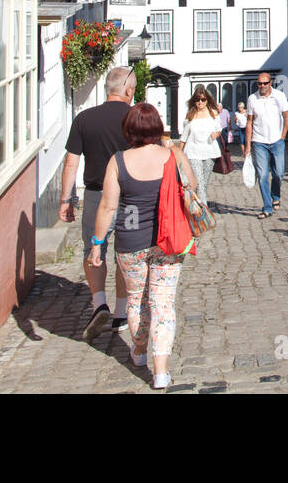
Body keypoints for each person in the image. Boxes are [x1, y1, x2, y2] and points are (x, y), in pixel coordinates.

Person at [89, 102, 197, 390]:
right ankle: (161, 371)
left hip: (130, 242)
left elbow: (108, 206)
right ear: (157, 127)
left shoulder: (118, 161)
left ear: (129, 129)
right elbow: (193, 187)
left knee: (136, 300)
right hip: (168, 242)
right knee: (162, 303)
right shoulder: (173, 156)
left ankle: (138, 351)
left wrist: (97, 243)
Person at [60, 65, 135, 340]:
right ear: (128, 90)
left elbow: (71, 162)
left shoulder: (84, 118)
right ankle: (121, 313)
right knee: (125, 252)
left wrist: (66, 199)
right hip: (129, 196)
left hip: (95, 194)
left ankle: (98, 302)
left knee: (94, 249)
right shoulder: (135, 118)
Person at [244, 73, 288, 218]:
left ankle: (275, 196)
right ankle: (267, 207)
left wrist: (283, 136)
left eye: (265, 83)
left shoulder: (279, 96)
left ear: (271, 83)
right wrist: (247, 145)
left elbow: (287, 115)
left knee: (279, 173)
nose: (262, 86)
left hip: (277, 141)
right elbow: (249, 122)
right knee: (263, 175)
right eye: (259, 84)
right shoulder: (252, 99)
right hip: (259, 142)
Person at [179, 87, 220, 207]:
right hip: (193, 152)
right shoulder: (190, 115)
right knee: (200, 183)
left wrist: (215, 134)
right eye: (197, 100)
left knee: (204, 184)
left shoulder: (213, 113)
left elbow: (219, 130)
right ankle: (204, 213)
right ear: (194, 101)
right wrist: (179, 154)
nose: (200, 102)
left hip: (210, 152)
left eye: (203, 99)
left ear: (207, 100)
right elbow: (184, 137)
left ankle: (195, 206)